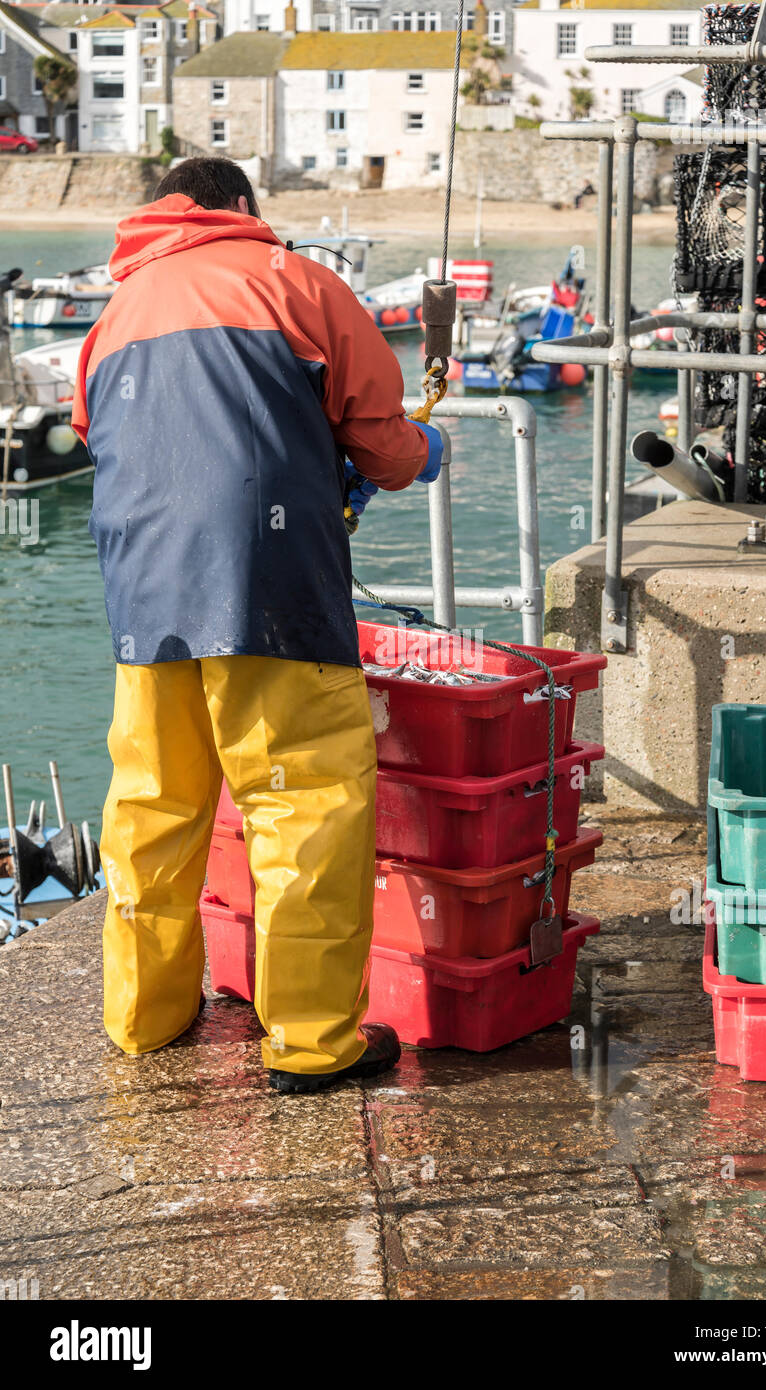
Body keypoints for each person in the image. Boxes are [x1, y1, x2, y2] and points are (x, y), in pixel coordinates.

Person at [72, 156, 443, 1094]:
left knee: (152, 809)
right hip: (268, 587)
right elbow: (382, 439)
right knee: (303, 808)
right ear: (241, 206)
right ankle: (314, 1044)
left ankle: (144, 1019)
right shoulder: (294, 280)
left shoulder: (112, 316)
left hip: (143, 597)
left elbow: (107, 440)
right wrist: (422, 451)